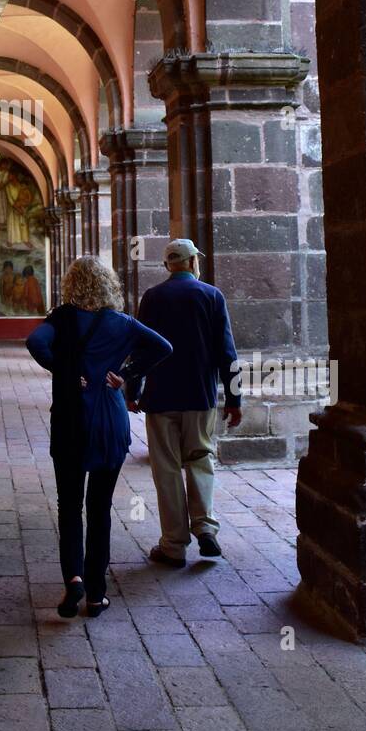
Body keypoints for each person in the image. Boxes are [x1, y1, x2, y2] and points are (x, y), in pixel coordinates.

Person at [26, 256, 172, 618]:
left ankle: (74, 579)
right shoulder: (122, 322)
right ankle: (96, 593)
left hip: (71, 421)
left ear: (71, 285)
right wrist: (126, 374)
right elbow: (162, 347)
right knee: (100, 507)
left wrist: (65, 370)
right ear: (109, 285)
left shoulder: (60, 319)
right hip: (109, 421)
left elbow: (35, 343)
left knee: (70, 506)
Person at [126, 238, 241, 568]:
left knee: (166, 469)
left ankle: (174, 545)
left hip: (161, 398)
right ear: (193, 263)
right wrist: (234, 399)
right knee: (201, 458)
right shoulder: (211, 296)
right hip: (200, 397)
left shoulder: (152, 297)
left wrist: (132, 391)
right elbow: (227, 353)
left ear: (168, 266)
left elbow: (140, 349)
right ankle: (205, 528)